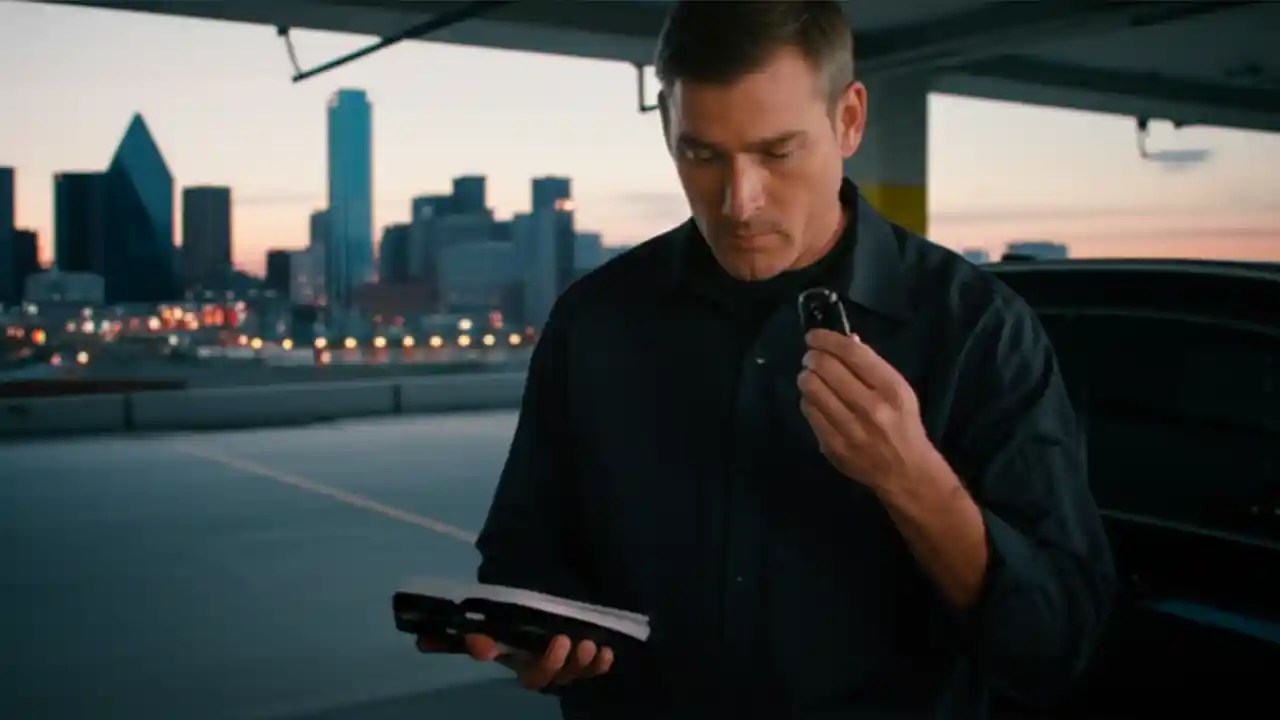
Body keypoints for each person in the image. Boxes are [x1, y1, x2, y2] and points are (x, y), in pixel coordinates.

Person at [416, 1, 1117, 717]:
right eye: (702, 154)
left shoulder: (980, 330)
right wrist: (536, 638)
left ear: (848, 120)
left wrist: (913, 479)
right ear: (666, 128)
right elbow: (523, 549)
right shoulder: (594, 321)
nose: (740, 202)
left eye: (777, 152)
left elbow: (1055, 643)